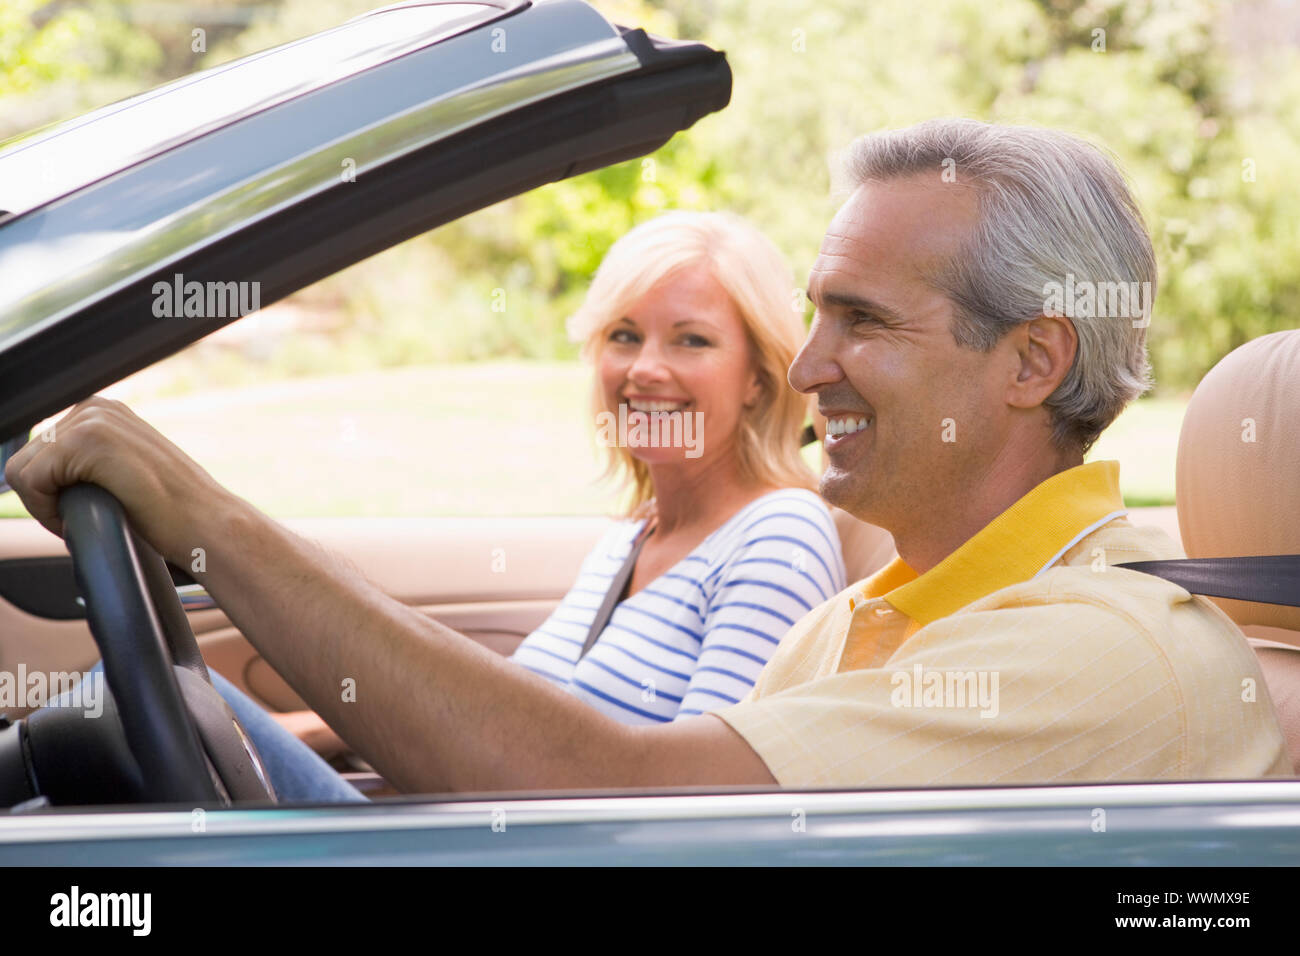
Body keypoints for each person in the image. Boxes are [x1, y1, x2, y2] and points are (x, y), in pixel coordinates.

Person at [10, 118, 1288, 798]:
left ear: (1030, 361)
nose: (805, 369)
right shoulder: (862, 615)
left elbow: (599, 790)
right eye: (816, 313)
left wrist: (210, 520)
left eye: (863, 322)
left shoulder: (1105, 643)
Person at [58, 211, 847, 801]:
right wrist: (316, 733)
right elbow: (507, 720)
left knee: (109, 722)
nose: (646, 369)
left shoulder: (777, 535)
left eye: (692, 341)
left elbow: (699, 817)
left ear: (758, 379)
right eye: (624, 334)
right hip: (469, 832)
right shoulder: (633, 538)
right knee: (132, 709)